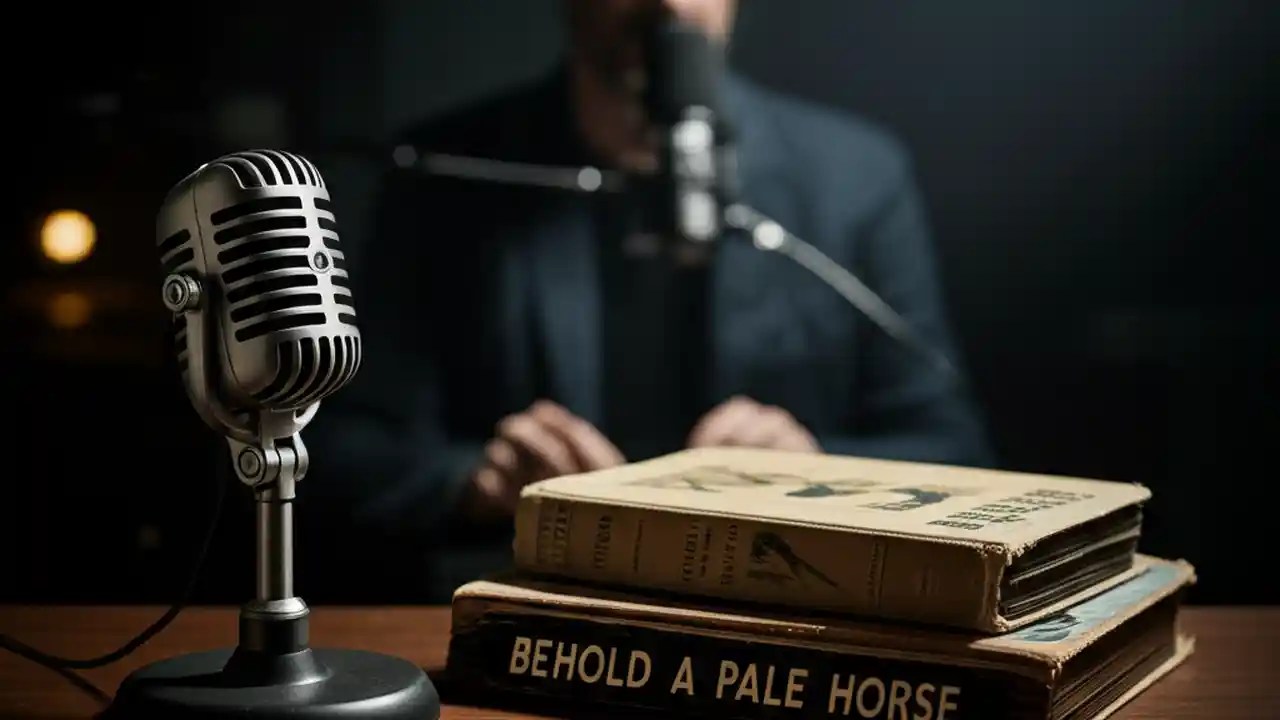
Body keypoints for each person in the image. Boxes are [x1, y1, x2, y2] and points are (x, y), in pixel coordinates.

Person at [299, 0, 993, 601]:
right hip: (536, 612)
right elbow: (343, 453)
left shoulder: (855, 175)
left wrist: (814, 466)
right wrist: (479, 479)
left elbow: (957, 450)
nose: (665, 5)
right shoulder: (443, 168)